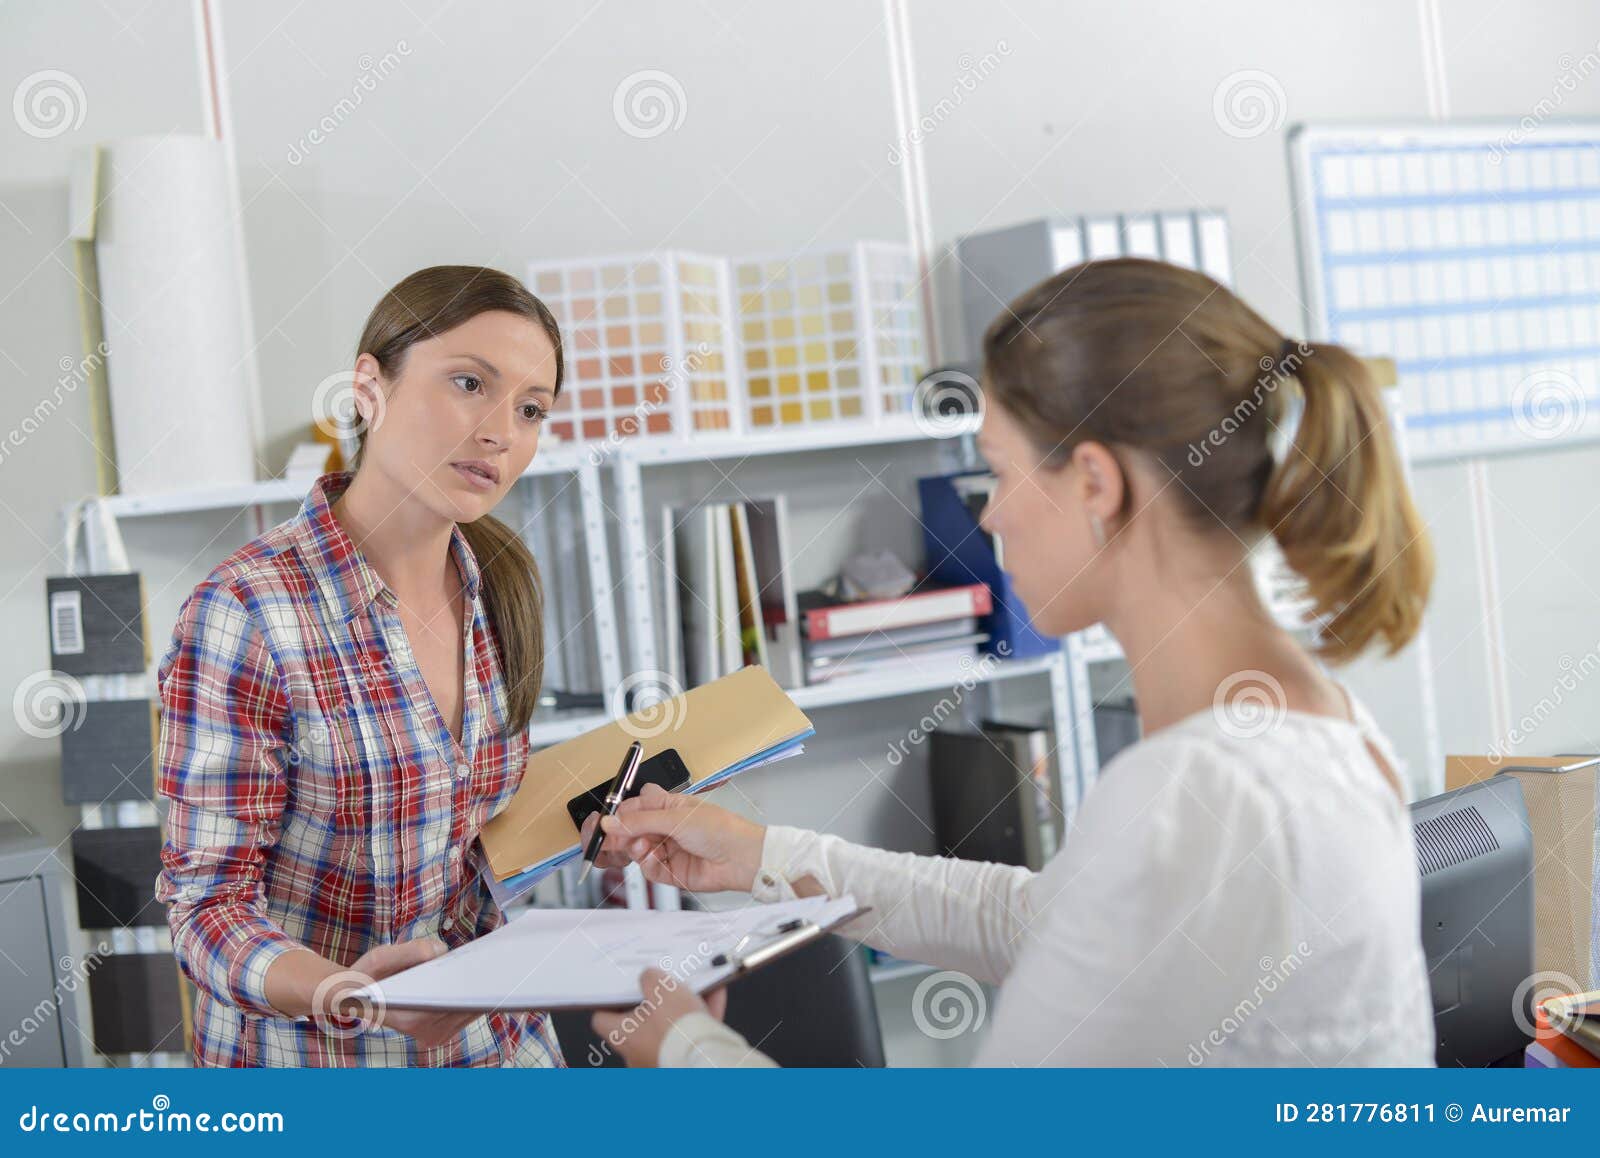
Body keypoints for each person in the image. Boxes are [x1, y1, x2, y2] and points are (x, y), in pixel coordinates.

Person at [586, 257, 1439, 1067]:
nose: (988, 517)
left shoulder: (1197, 794)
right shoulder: (1318, 724)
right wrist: (758, 856)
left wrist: (686, 1050)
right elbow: (1043, 922)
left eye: (998, 471)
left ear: (1097, 484)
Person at [156, 266, 565, 1066]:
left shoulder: (500, 585)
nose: (499, 432)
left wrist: (597, 821)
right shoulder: (248, 613)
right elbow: (206, 908)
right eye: (468, 383)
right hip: (322, 1064)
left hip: (493, 1048)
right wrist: (342, 992)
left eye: (530, 409)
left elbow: (465, 833)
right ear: (369, 388)